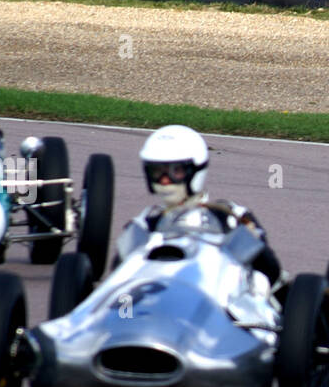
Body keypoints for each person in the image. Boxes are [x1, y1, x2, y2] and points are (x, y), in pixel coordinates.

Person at [114, 124, 285, 292]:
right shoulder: (146, 222)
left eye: (176, 171)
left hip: (215, 300)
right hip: (155, 302)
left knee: (261, 284)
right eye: (157, 171)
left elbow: (270, 271)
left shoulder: (229, 216)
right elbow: (118, 276)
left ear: (195, 170)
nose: (165, 180)